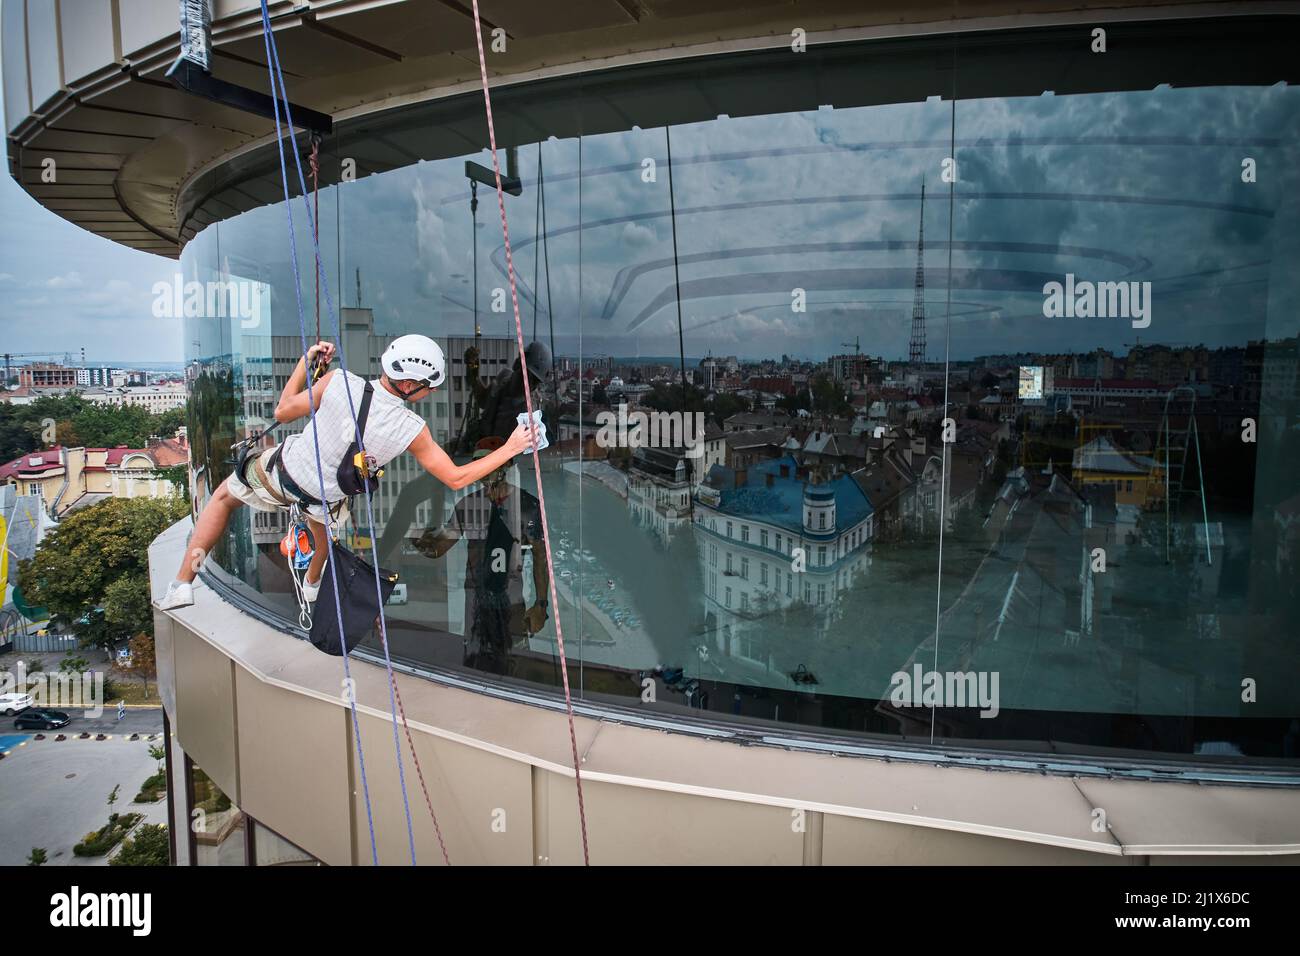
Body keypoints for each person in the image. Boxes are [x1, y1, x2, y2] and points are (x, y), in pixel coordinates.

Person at [159, 334, 537, 610]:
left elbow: (283, 411)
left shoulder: (338, 380)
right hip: (323, 500)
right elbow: (456, 478)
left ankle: (182, 584)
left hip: (284, 474)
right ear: (408, 385)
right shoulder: (411, 429)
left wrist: (306, 363)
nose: (429, 394)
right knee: (324, 533)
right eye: (426, 388)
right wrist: (511, 447)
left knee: (223, 498)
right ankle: (311, 584)